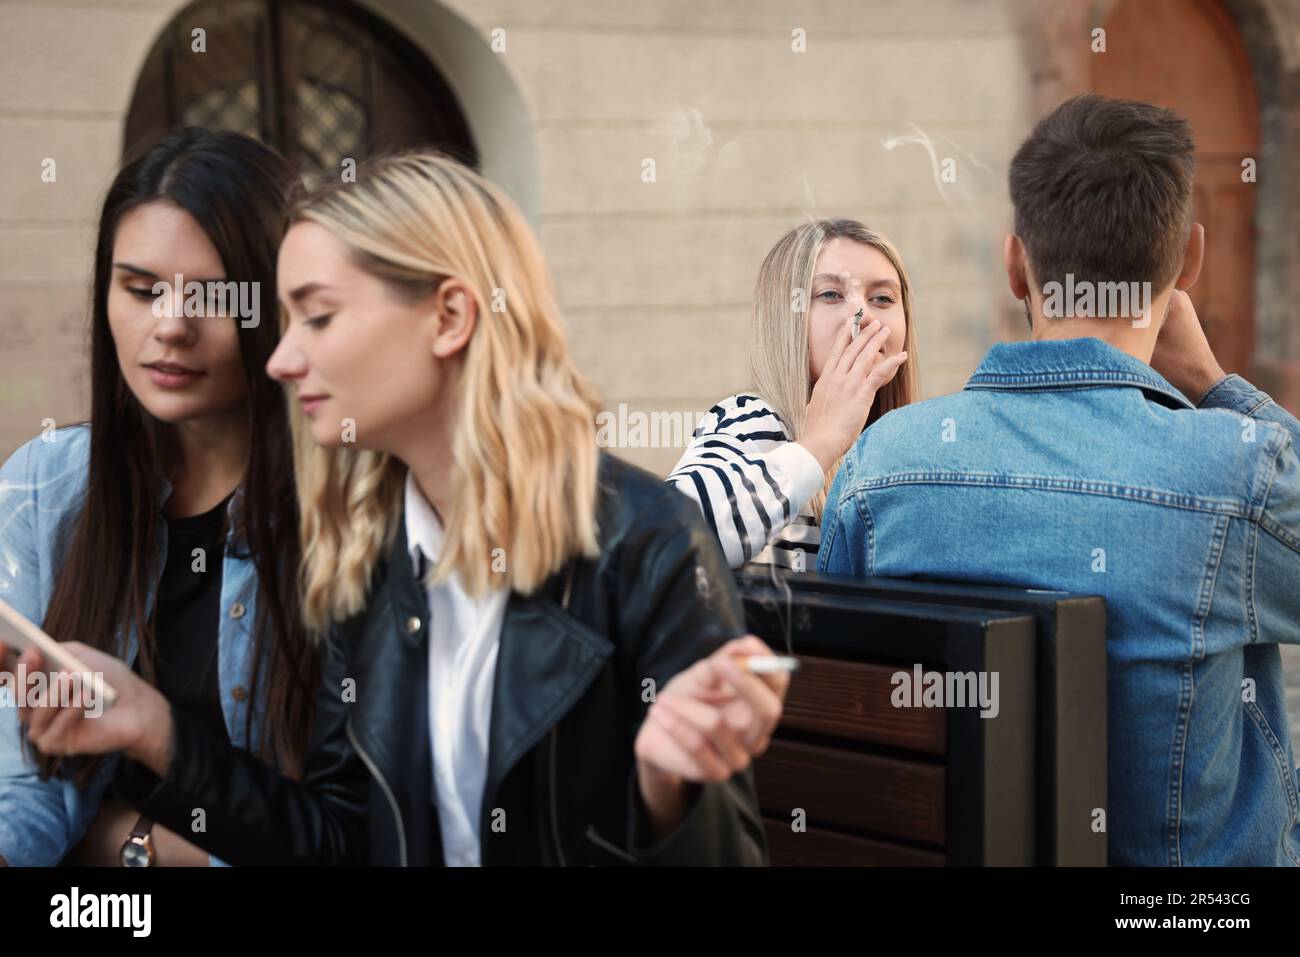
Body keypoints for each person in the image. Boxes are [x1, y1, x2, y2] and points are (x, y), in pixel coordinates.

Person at [14, 152, 789, 866]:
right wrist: (157, 730)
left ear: (451, 317)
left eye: (317, 316)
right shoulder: (372, 552)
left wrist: (665, 788)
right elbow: (337, 844)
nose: (281, 360)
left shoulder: (646, 542)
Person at [819, 94, 1300, 865]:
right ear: (1189, 261)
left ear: (1015, 264)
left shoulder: (883, 464)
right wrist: (1214, 381)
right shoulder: (1234, 469)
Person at [0, 128, 315, 867]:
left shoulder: (347, 513)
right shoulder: (45, 486)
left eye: (212, 295)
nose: (170, 325)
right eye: (141, 290)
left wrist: (133, 844)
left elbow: (348, 832)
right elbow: (22, 784)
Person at [668, 220, 913, 569]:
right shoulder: (751, 421)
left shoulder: (907, 450)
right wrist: (820, 442)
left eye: (883, 298)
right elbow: (665, 541)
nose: (863, 316)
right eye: (830, 294)